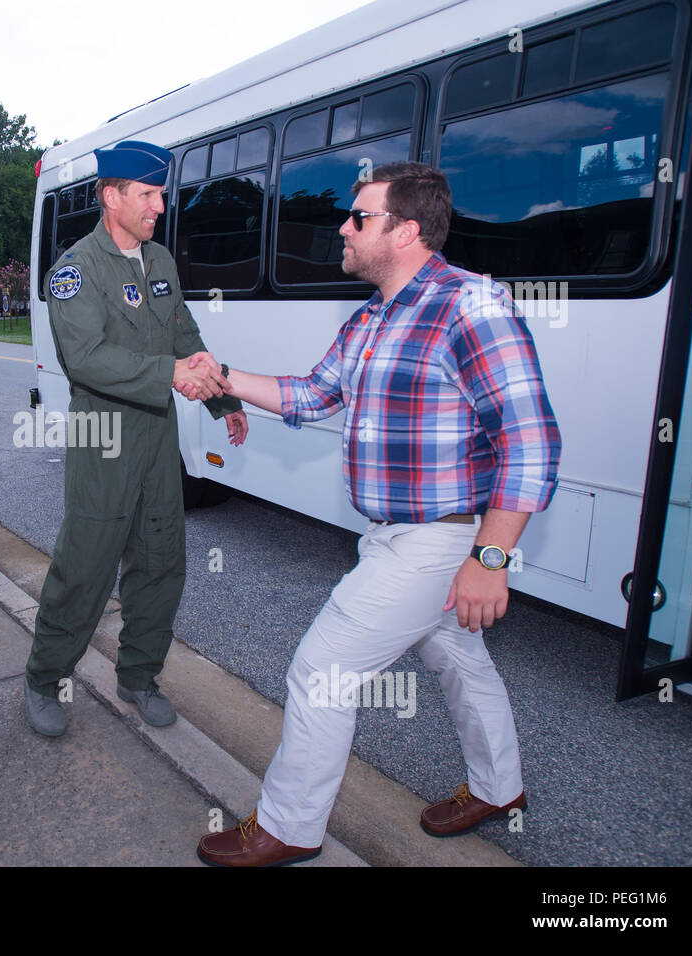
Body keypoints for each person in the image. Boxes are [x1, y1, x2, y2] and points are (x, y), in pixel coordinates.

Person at [195, 162, 561, 866]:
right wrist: (221, 375)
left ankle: (290, 826)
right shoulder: (373, 317)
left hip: (439, 541)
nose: (343, 226)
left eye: (359, 216)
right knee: (461, 661)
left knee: (320, 670)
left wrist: (491, 560)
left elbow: (531, 442)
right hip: (396, 537)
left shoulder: (471, 306)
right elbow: (313, 395)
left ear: (407, 230)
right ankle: (499, 788)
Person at [24, 140, 248, 737]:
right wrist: (169, 374)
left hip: (157, 438)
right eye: (148, 194)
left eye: (161, 193)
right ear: (111, 196)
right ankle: (45, 678)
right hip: (104, 440)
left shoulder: (162, 262)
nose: (160, 204)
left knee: (160, 563)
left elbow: (185, 334)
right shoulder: (75, 271)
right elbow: (86, 358)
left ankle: (139, 677)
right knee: (86, 567)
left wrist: (222, 394)